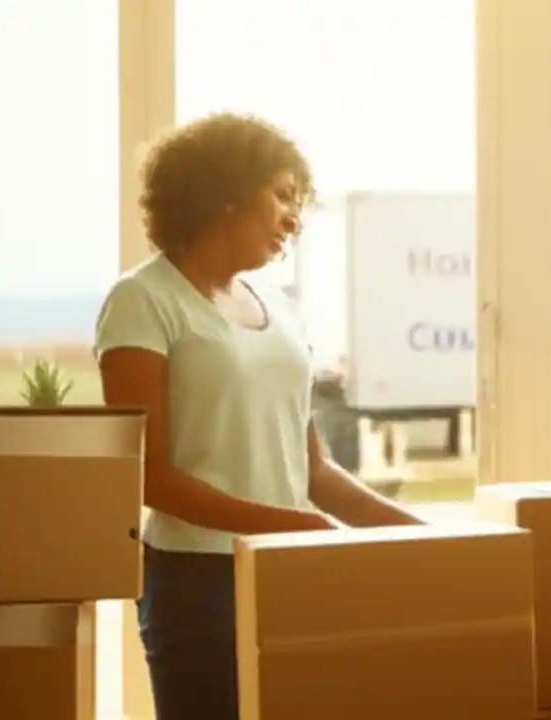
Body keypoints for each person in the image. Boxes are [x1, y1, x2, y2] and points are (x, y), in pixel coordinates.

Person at [95, 112, 426, 720]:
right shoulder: (142, 300)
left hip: (288, 572)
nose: (294, 220)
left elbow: (314, 473)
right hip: (197, 584)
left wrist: (426, 534)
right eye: (281, 196)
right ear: (224, 194)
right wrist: (296, 526)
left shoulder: (279, 311)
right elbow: (150, 477)